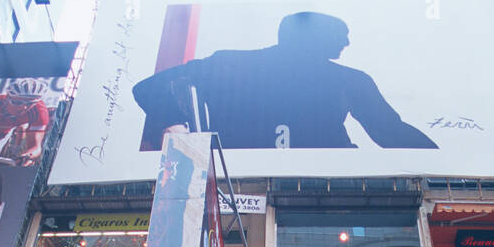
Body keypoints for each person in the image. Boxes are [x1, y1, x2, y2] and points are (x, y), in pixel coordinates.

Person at [132, 11, 437, 150]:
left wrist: (175, 126)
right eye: (340, 36)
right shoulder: (347, 80)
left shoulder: (229, 63)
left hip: (265, 187)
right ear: (316, 39)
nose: (346, 43)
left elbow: (149, 88)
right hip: (312, 191)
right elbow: (391, 132)